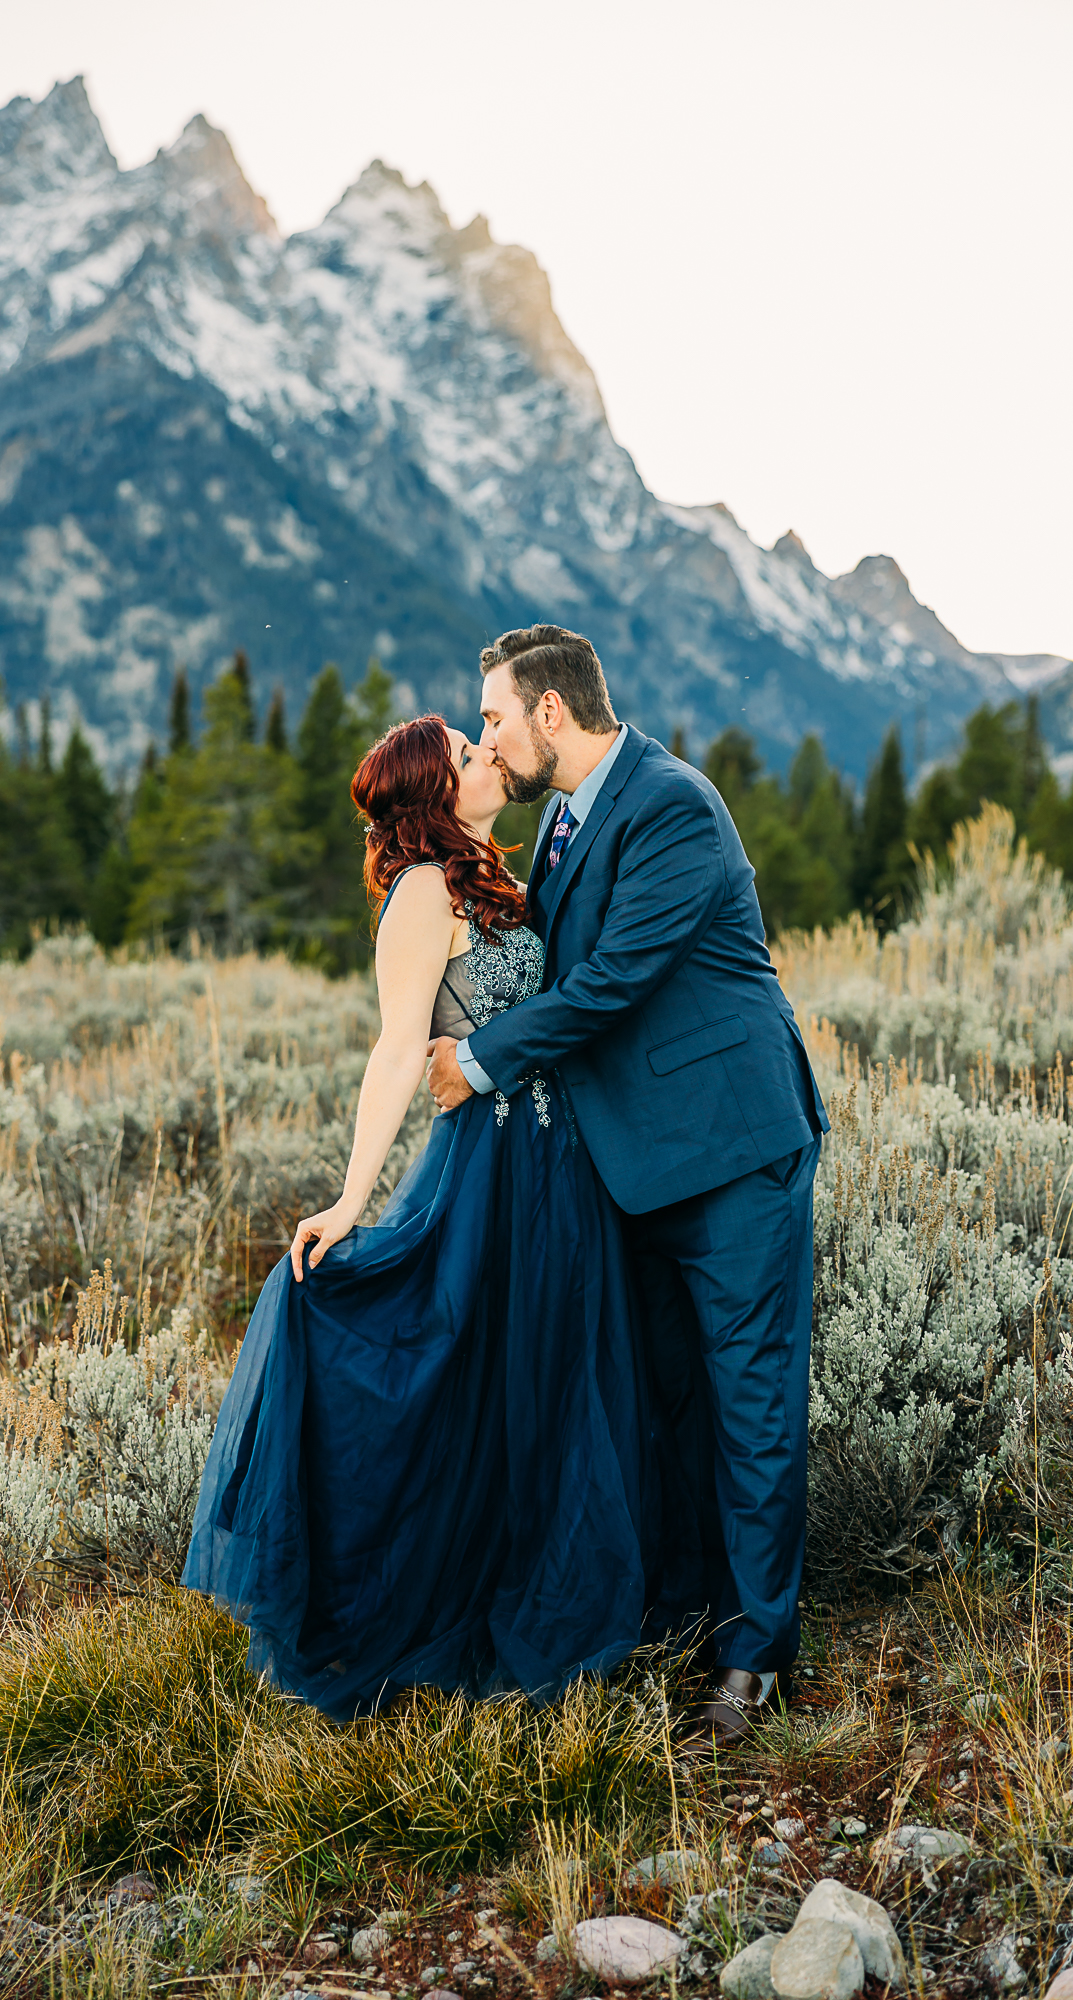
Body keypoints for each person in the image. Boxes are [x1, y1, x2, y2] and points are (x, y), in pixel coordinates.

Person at [182, 714, 676, 1719]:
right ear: (433, 793)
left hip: (562, 1165)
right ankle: (424, 1610)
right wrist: (350, 1198)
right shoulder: (421, 892)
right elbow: (399, 1049)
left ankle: (569, 1596)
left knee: (551, 1377)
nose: (485, 752)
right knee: (469, 1370)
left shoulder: (494, 873)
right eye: (464, 750)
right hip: (491, 1167)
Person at [426, 625, 829, 1752]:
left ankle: (755, 1668)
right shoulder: (558, 817)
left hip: (733, 1148)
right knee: (668, 1399)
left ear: (552, 711)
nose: (492, 740)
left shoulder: (671, 803)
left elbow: (609, 981)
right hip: (634, 1164)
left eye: (497, 717)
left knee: (749, 1400)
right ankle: (692, 1612)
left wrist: (482, 1059)